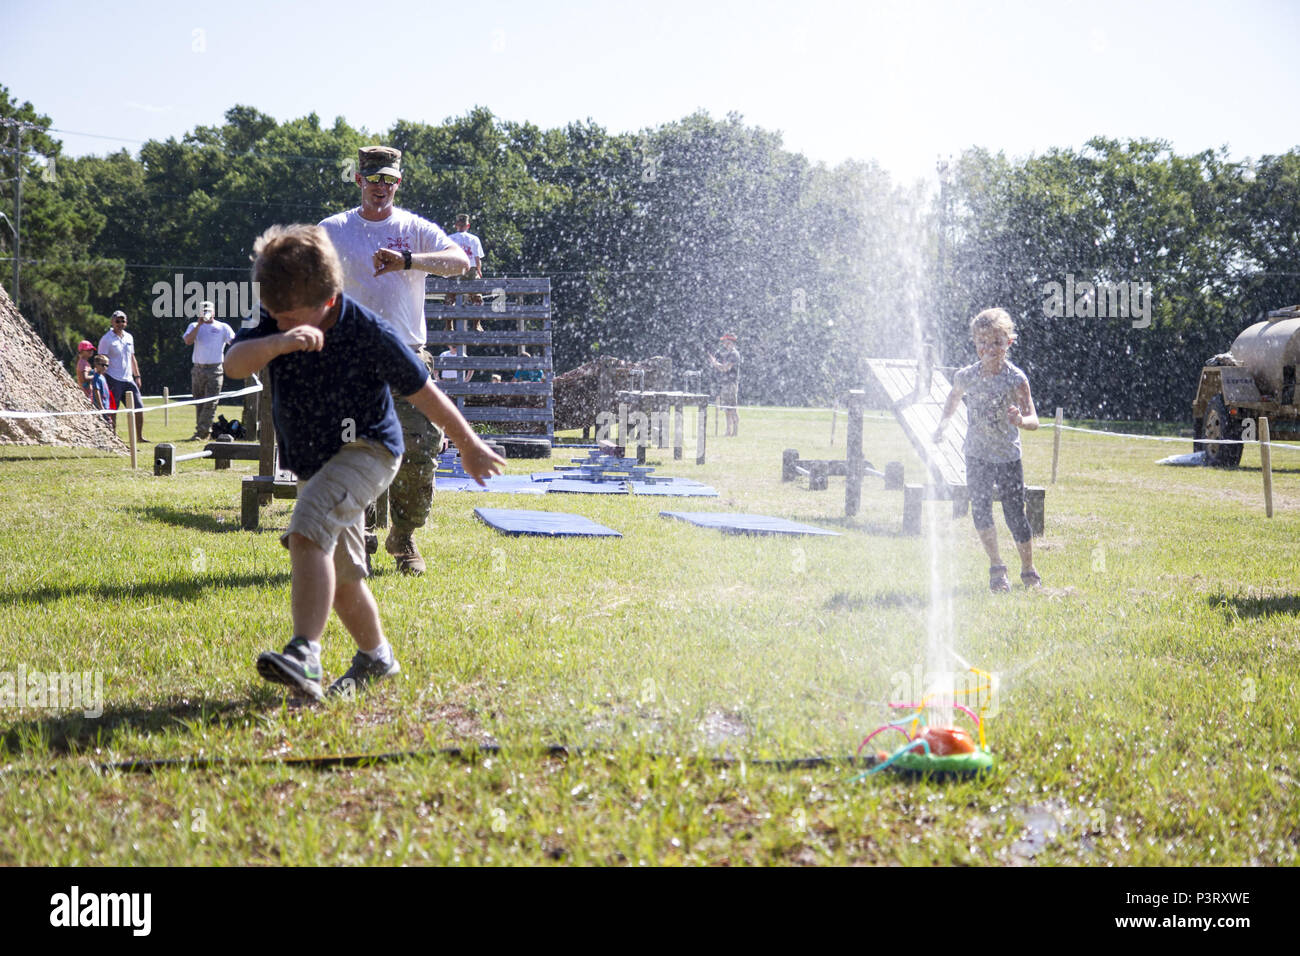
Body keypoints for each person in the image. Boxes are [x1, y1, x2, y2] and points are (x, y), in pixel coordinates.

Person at [224, 223, 504, 701]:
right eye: (274, 314)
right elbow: (234, 363)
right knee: (344, 577)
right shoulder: (278, 319)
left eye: (289, 316)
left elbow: (426, 393)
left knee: (307, 529)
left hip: (369, 451)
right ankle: (376, 658)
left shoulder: (368, 332)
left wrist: (470, 443)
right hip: (317, 461)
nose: (280, 320)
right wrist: (278, 341)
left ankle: (305, 656)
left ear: (329, 298)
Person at [318, 146, 471, 575]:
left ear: (398, 183)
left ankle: (403, 535)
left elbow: (460, 262)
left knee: (420, 451)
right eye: (373, 179)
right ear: (358, 181)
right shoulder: (334, 229)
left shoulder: (413, 228)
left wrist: (408, 260)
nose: (380, 187)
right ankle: (359, 534)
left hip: (406, 354)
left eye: (389, 180)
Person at [932, 308, 1041, 593]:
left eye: (996, 342)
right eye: (982, 342)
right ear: (974, 343)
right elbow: (953, 399)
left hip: (1007, 456)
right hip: (977, 454)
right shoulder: (966, 376)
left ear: (1009, 343)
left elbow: (1034, 420)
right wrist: (942, 426)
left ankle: (1028, 570)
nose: (989, 348)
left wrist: (1020, 420)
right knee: (980, 511)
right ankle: (997, 569)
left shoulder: (1016, 379)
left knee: (1014, 514)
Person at [181, 300, 237, 440]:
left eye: (208, 310)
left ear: (214, 312)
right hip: (198, 369)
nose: (206, 313)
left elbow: (234, 343)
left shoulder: (222, 327)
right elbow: (188, 341)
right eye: (203, 310)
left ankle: (202, 432)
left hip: (215, 369)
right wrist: (199, 325)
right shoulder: (194, 325)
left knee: (210, 402)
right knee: (199, 401)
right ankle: (202, 431)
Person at [97, 310, 148, 442]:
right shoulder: (106, 339)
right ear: (112, 322)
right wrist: (102, 377)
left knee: (139, 407)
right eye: (117, 321)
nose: (120, 323)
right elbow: (101, 359)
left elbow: (132, 357)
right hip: (113, 378)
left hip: (128, 379)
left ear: (126, 322)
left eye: (123, 321)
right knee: (114, 410)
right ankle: (112, 437)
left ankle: (139, 437)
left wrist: (137, 376)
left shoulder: (129, 337)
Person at [444, 213, 485, 309]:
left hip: (455, 270)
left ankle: (449, 322)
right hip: (470, 271)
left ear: (456, 225)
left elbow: (447, 258)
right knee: (476, 296)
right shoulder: (474, 239)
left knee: (450, 297)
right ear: (468, 226)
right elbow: (477, 259)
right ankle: (476, 323)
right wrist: (479, 271)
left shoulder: (450, 238)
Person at [708, 332, 741, 436]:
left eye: (725, 342)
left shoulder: (734, 354)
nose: (723, 344)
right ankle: (728, 431)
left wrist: (715, 363)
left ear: (730, 342)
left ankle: (735, 432)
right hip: (726, 384)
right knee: (727, 409)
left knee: (732, 407)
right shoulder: (728, 354)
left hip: (731, 384)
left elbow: (726, 368)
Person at [88, 354, 114, 427]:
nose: (105, 367)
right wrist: (101, 407)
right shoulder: (96, 378)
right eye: (103, 365)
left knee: (109, 424)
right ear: (96, 365)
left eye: (107, 365)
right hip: (100, 407)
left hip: (106, 406)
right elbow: (96, 392)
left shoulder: (102, 377)